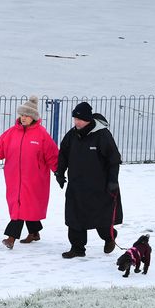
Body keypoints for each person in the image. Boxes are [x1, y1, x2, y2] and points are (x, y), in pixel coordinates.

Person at [0, 95, 59, 249]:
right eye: (22, 115)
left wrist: (59, 172)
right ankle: (34, 232)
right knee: (23, 205)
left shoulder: (42, 135)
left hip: (34, 179)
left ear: (33, 117)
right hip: (14, 178)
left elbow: (52, 156)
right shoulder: (11, 133)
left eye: (27, 115)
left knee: (22, 206)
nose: (23, 118)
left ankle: (11, 238)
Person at [55, 101, 123, 258]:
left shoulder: (102, 135)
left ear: (88, 119)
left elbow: (114, 160)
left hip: (99, 186)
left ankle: (109, 237)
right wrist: (60, 172)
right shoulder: (72, 135)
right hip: (77, 185)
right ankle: (77, 248)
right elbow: (63, 154)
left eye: (80, 119)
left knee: (101, 219)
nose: (76, 122)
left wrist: (113, 181)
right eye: (75, 119)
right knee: (74, 217)